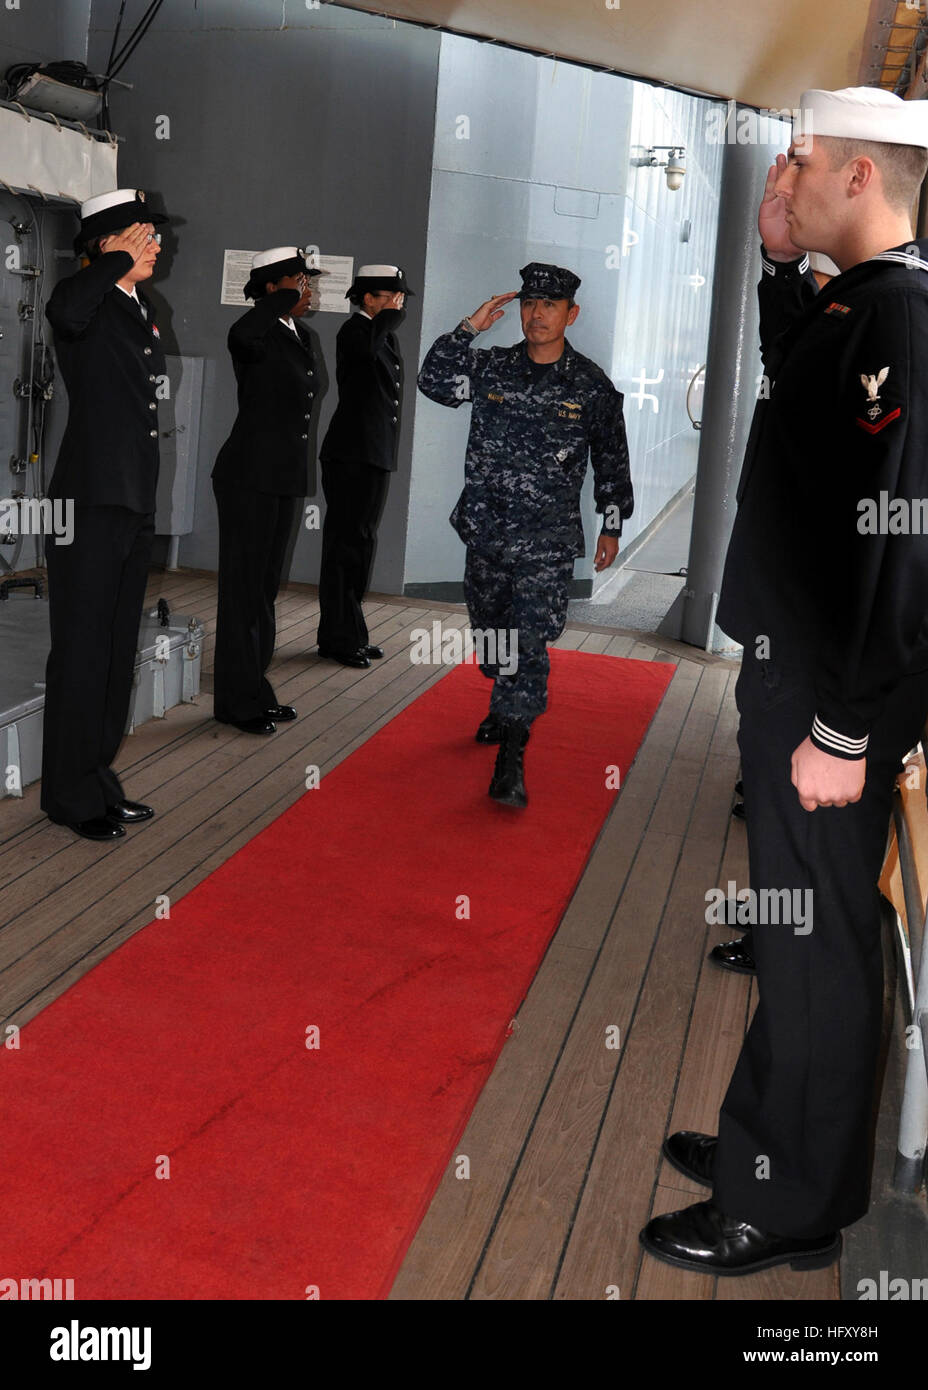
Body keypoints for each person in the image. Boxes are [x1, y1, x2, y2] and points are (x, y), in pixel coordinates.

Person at [640, 86, 928, 1276]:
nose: (783, 184)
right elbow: (802, 385)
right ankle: (771, 1147)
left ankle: (791, 1207)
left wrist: (846, 730)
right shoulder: (858, 307)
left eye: (798, 167)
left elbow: (903, 547)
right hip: (801, 679)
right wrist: (772, 259)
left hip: (826, 697)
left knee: (812, 940)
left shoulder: (900, 319)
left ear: (858, 177)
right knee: (796, 928)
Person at [417, 262, 633, 807]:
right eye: (529, 305)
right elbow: (434, 383)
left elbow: (612, 457)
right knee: (493, 637)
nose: (537, 315)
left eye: (550, 306)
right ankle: (500, 697)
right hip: (486, 531)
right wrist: (469, 328)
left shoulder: (589, 386)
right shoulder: (490, 369)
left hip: (547, 540)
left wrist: (611, 522)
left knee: (528, 643)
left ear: (571, 314)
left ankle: (511, 756)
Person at [41, 188, 168, 842]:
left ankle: (95, 778)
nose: (157, 246)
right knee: (84, 650)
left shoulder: (137, 306)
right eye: (144, 235)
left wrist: (121, 268)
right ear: (105, 245)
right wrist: (110, 263)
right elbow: (66, 308)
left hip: (129, 498)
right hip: (88, 501)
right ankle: (67, 795)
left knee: (116, 652)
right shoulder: (82, 299)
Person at [211, 247, 322, 734]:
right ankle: (236, 702)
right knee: (243, 590)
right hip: (247, 476)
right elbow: (245, 331)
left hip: (280, 476)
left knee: (263, 589)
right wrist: (278, 296)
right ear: (274, 286)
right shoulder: (252, 331)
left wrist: (286, 295)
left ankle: (255, 688)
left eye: (308, 280)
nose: (309, 288)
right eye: (300, 279)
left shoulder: (301, 334)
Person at [316, 264, 413, 668]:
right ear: (367, 297)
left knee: (361, 544)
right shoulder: (355, 331)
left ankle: (350, 632)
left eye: (400, 295)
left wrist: (388, 319)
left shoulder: (381, 334)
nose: (398, 302)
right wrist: (387, 317)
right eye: (390, 295)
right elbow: (364, 357)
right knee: (344, 546)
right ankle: (337, 638)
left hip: (371, 453)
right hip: (351, 455)